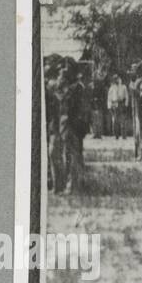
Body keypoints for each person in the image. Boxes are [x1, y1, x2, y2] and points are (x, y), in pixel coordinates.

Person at [56, 59, 89, 194]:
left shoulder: (74, 88)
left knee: (72, 155)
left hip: (72, 125)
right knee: (74, 155)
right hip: (74, 125)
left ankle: (73, 185)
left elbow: (64, 102)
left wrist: (60, 81)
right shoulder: (77, 86)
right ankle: (78, 183)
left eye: (67, 69)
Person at [107, 74, 130, 139]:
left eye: (117, 79)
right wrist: (109, 106)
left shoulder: (123, 87)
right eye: (115, 79)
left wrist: (126, 104)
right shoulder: (112, 88)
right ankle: (116, 135)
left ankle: (124, 135)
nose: (116, 80)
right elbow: (109, 97)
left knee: (123, 120)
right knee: (115, 121)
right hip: (114, 104)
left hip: (121, 104)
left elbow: (127, 96)